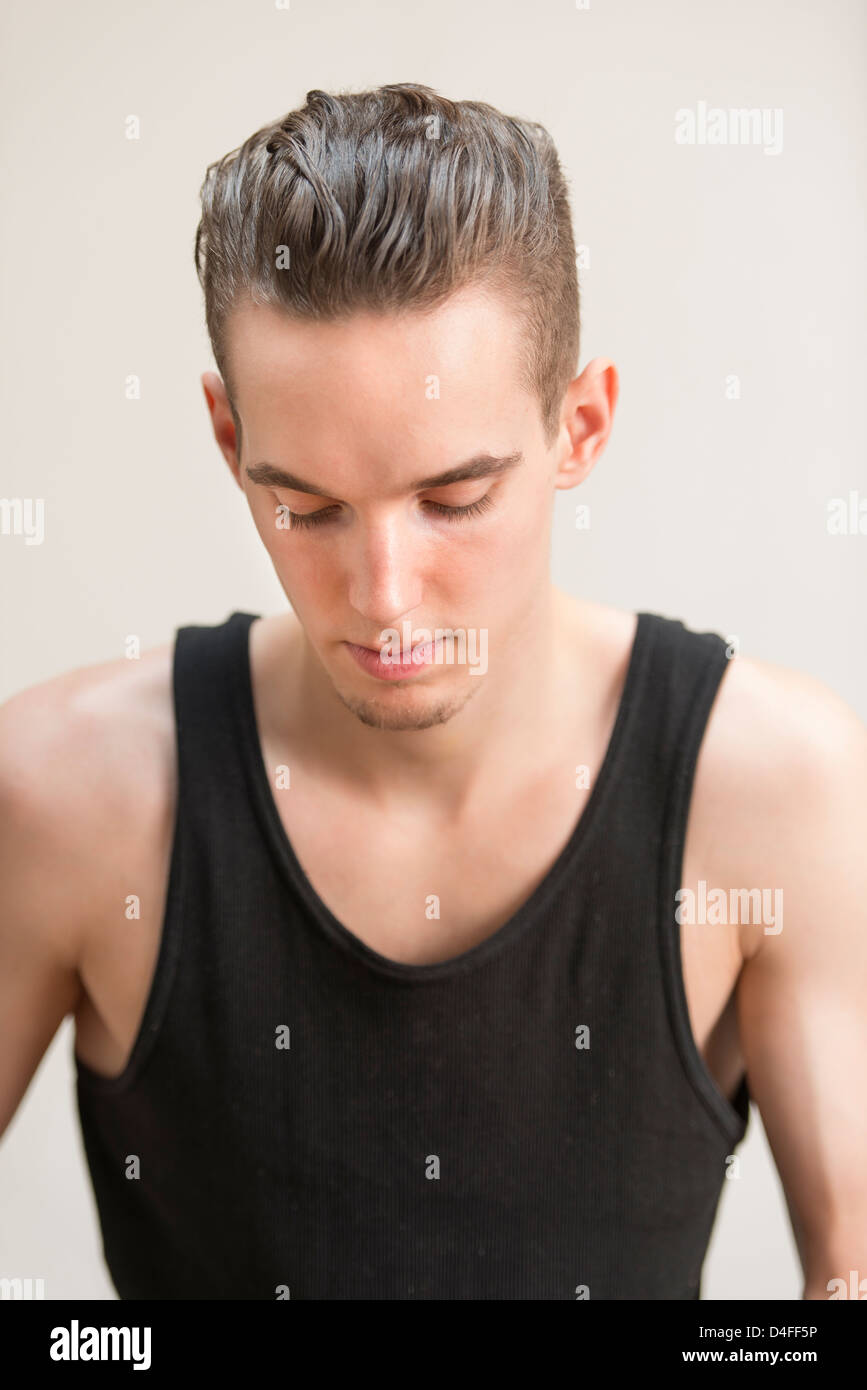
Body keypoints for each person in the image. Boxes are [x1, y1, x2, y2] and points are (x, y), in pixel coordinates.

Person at [1, 82, 864, 1301]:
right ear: (225, 436)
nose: (385, 594)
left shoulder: (778, 786)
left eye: (454, 498)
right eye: (305, 504)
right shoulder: (64, 793)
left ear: (582, 425)